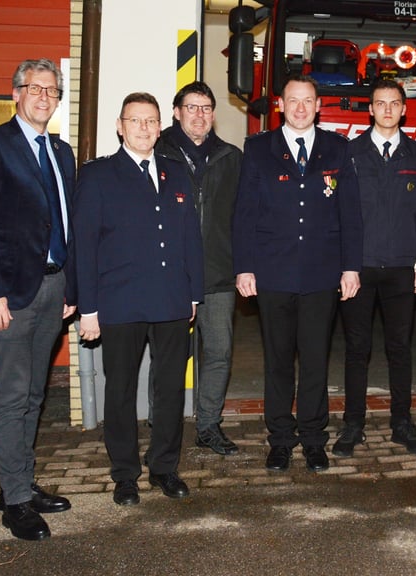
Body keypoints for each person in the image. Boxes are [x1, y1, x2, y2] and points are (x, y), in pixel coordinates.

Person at [0, 58, 76, 541]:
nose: (44, 97)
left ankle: (23, 484)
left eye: (52, 90)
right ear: (16, 93)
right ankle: (15, 501)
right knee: (12, 396)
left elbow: (66, 223)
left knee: (34, 394)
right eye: (35, 89)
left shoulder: (62, 152)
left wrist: (72, 287)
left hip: (52, 289)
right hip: (7, 295)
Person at [75, 92, 204, 506]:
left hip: (171, 302)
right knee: (121, 391)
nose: (144, 128)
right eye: (136, 121)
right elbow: (85, 246)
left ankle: (165, 467)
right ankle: (125, 475)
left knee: (169, 390)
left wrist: (194, 295)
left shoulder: (174, 173)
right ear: (120, 125)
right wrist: (88, 308)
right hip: (120, 303)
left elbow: (190, 241)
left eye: (151, 121)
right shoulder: (97, 176)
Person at [233, 75, 363, 473]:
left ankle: (312, 438)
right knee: (277, 361)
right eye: (293, 101)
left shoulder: (337, 148)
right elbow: (244, 215)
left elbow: (351, 214)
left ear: (318, 105)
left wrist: (351, 267)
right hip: (273, 274)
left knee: (314, 360)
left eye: (308, 101)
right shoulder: (258, 149)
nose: (301, 108)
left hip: (321, 275)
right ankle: (281, 440)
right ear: (280, 105)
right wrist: (244, 266)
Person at [332, 80, 416, 457]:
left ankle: (401, 423)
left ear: (404, 109)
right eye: (380, 104)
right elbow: (340, 215)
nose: (387, 110)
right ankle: (352, 423)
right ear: (369, 110)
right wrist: (345, 266)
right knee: (357, 348)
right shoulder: (349, 154)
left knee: (399, 349)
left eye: (394, 104)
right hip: (359, 269)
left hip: (403, 269)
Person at [156, 81, 242, 456]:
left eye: (206, 108)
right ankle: (164, 428)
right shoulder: (157, 153)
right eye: (191, 107)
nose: (199, 115)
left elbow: (244, 217)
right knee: (171, 357)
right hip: (172, 276)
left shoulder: (231, 157)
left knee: (219, 353)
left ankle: (208, 425)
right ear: (176, 112)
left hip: (219, 275)